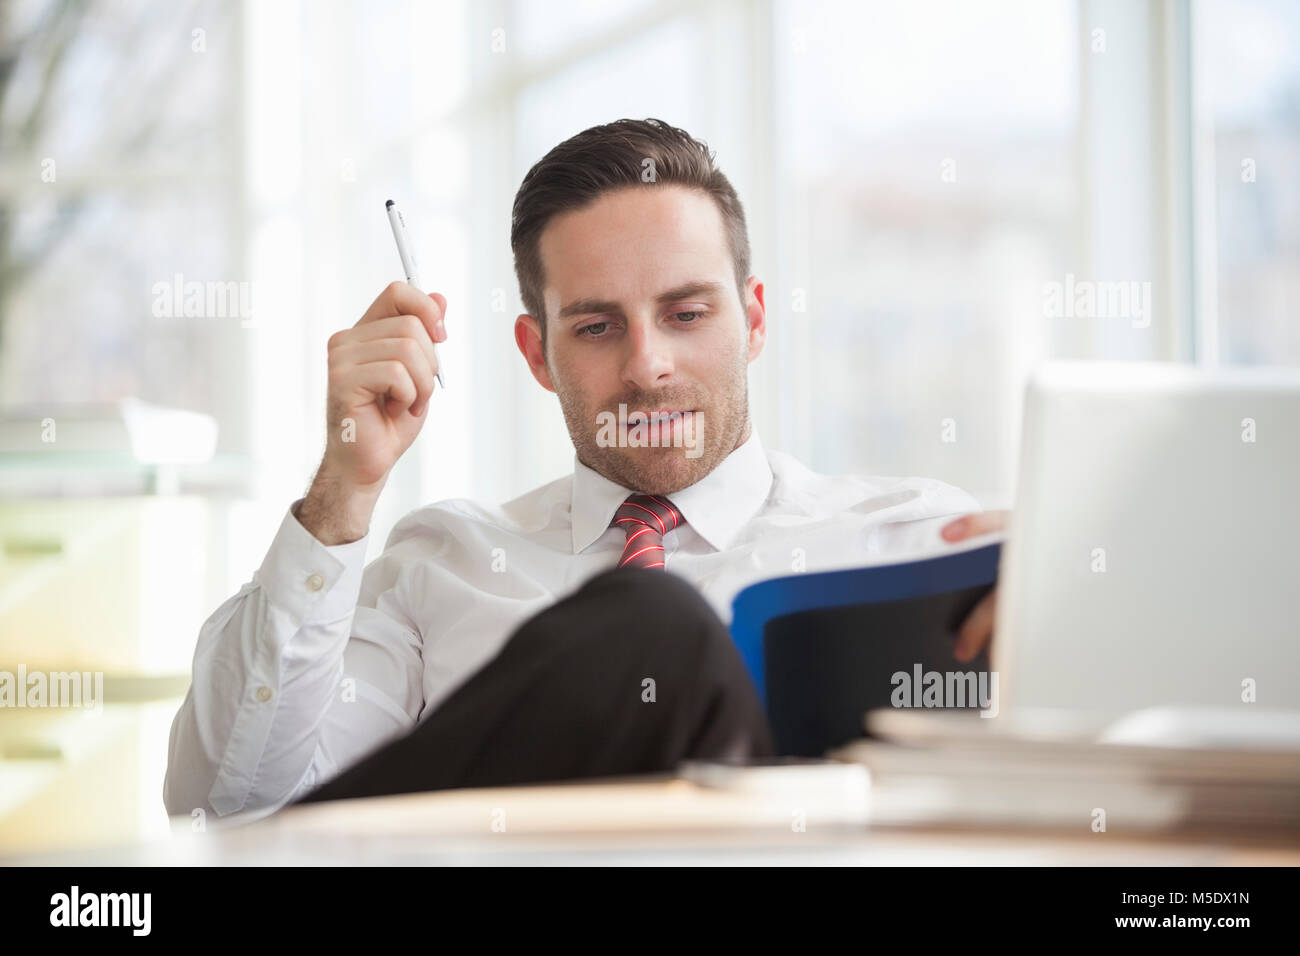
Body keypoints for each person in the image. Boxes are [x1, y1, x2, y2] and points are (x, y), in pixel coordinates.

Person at [163, 118, 1007, 820]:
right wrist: (344, 491)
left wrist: (1067, 629)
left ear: (752, 322)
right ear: (538, 354)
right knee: (656, 625)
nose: (649, 367)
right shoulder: (443, 562)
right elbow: (228, 803)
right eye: (598, 328)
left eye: (686, 313)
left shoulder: (916, 542)